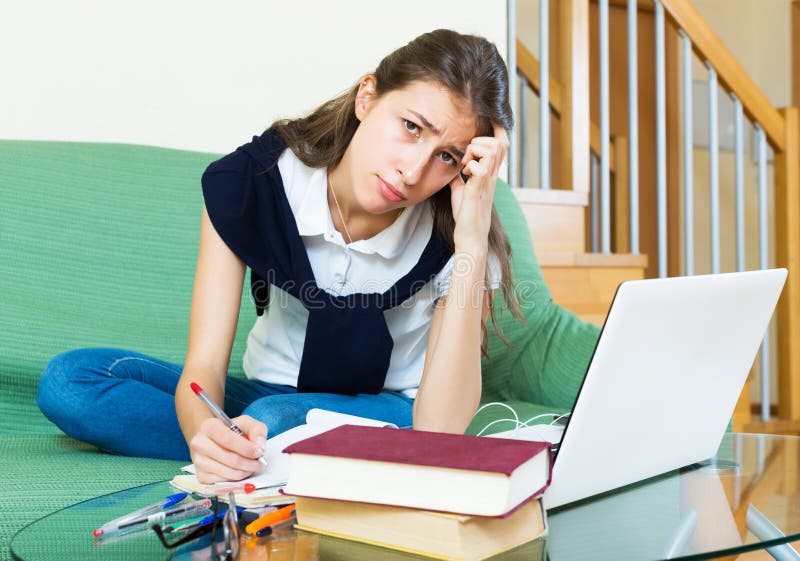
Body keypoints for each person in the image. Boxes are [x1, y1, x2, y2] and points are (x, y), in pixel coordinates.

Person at [37, 29, 521, 484]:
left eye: (448, 157)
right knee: (70, 382)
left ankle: (272, 448)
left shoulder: (463, 228)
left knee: (272, 423)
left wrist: (473, 242)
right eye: (411, 127)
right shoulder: (256, 183)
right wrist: (204, 434)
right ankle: (268, 455)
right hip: (268, 394)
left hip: (393, 410)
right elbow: (203, 369)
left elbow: (440, 430)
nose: (413, 171)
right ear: (367, 97)